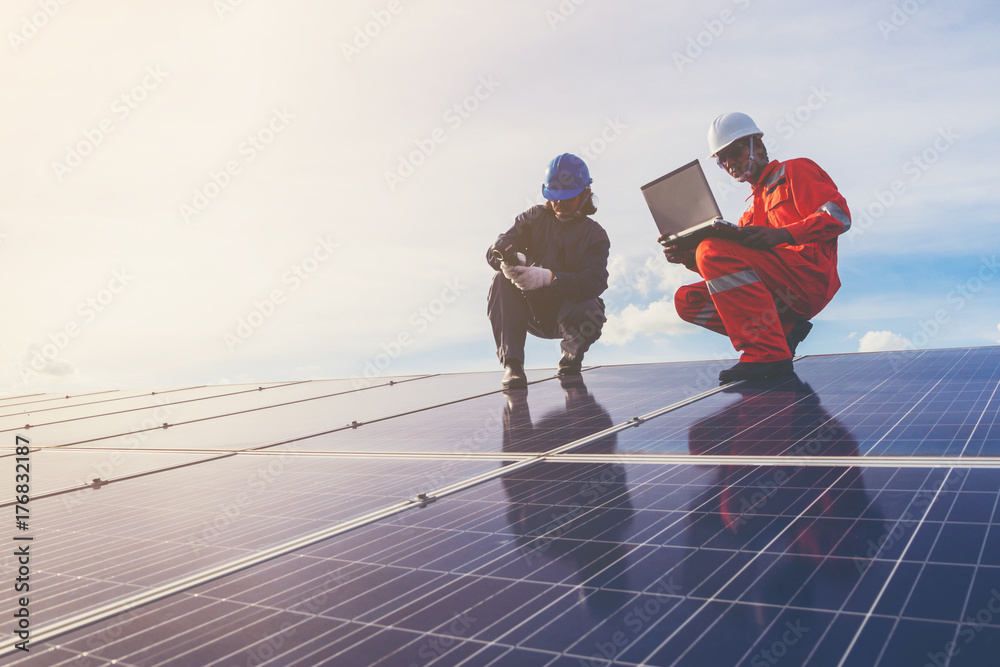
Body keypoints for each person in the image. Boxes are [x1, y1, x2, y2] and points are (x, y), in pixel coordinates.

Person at [662, 112, 851, 383]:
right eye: (721, 160)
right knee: (687, 301)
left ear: (757, 145)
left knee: (712, 248)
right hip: (777, 292)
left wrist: (783, 234)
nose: (729, 163)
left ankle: (768, 355)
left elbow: (839, 217)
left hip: (808, 279)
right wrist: (688, 258)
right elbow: (733, 276)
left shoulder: (795, 170)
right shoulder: (749, 213)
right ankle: (782, 332)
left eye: (734, 152)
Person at [487, 153, 609, 390]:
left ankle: (571, 360)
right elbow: (500, 245)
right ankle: (513, 366)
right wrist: (502, 255)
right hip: (532, 312)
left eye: (568, 198)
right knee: (500, 280)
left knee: (591, 310)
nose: (560, 204)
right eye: (555, 198)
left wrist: (549, 279)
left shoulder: (595, 235)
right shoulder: (534, 218)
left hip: (568, 314)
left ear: (585, 195)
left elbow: (595, 281)